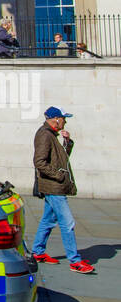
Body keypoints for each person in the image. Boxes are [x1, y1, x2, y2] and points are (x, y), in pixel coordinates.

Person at [32, 107, 95, 274]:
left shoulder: (52, 135)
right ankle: (74, 261)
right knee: (68, 223)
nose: (65, 122)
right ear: (56, 119)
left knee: (48, 220)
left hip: (55, 185)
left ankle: (37, 252)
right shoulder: (45, 135)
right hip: (54, 187)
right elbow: (39, 162)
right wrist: (58, 176)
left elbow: (62, 159)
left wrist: (67, 143)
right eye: (64, 119)